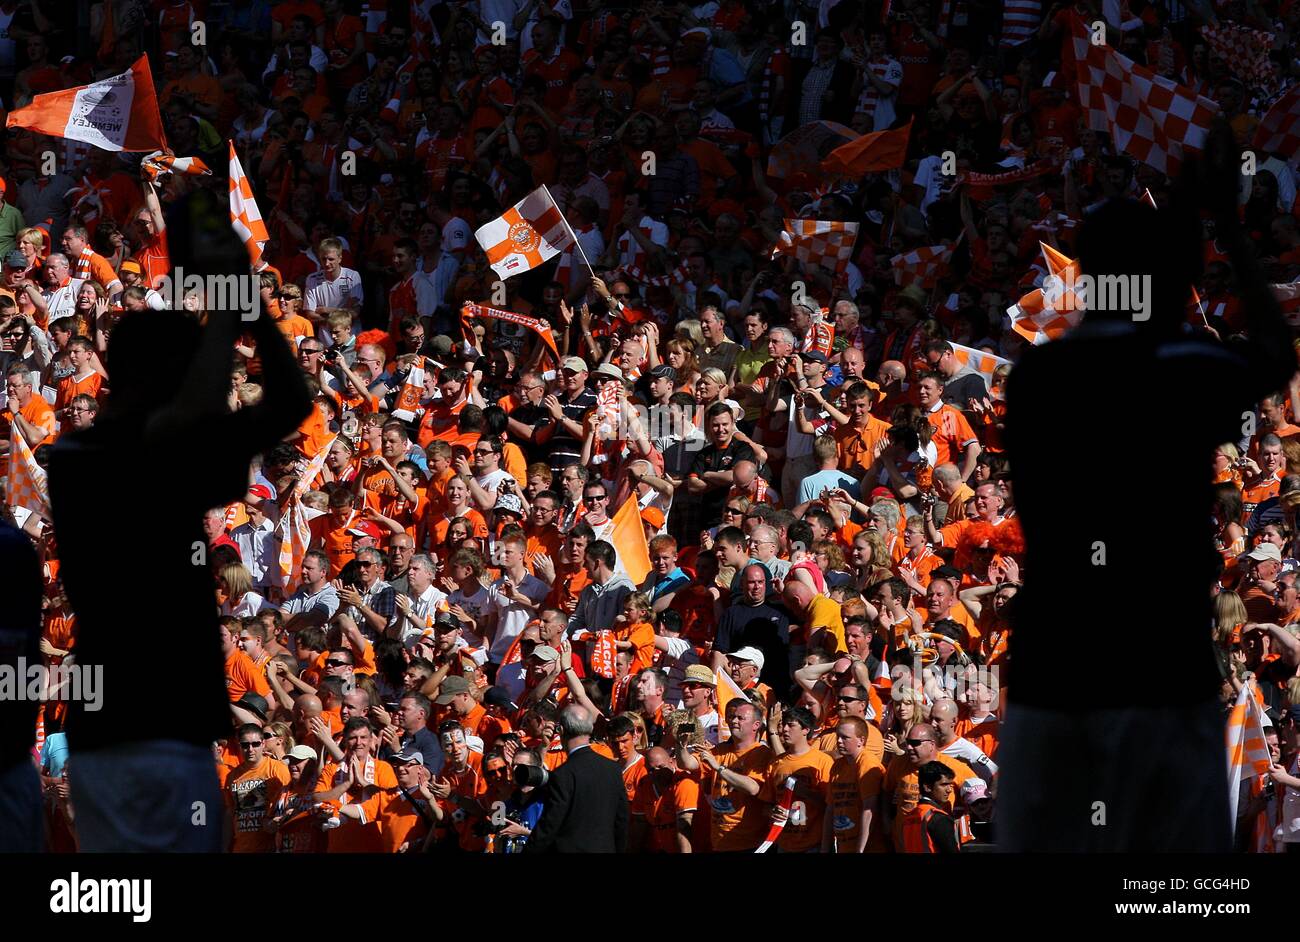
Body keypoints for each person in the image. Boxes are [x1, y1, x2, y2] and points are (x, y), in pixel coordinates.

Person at [1001, 121, 1294, 852]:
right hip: (1164, 680)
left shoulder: (1038, 378)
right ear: (1164, 281)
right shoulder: (1187, 369)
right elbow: (1273, 353)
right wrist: (1223, 220)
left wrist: (1181, 237)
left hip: (1053, 678)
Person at [48, 192, 312, 852]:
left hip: (105, 733)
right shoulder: (121, 456)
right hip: (164, 732)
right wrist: (238, 302)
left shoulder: (77, 458)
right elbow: (289, 398)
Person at [524, 704, 629, 853]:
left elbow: (549, 826)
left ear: (561, 731)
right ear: (591, 729)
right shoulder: (612, 769)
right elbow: (621, 821)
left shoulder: (562, 775)